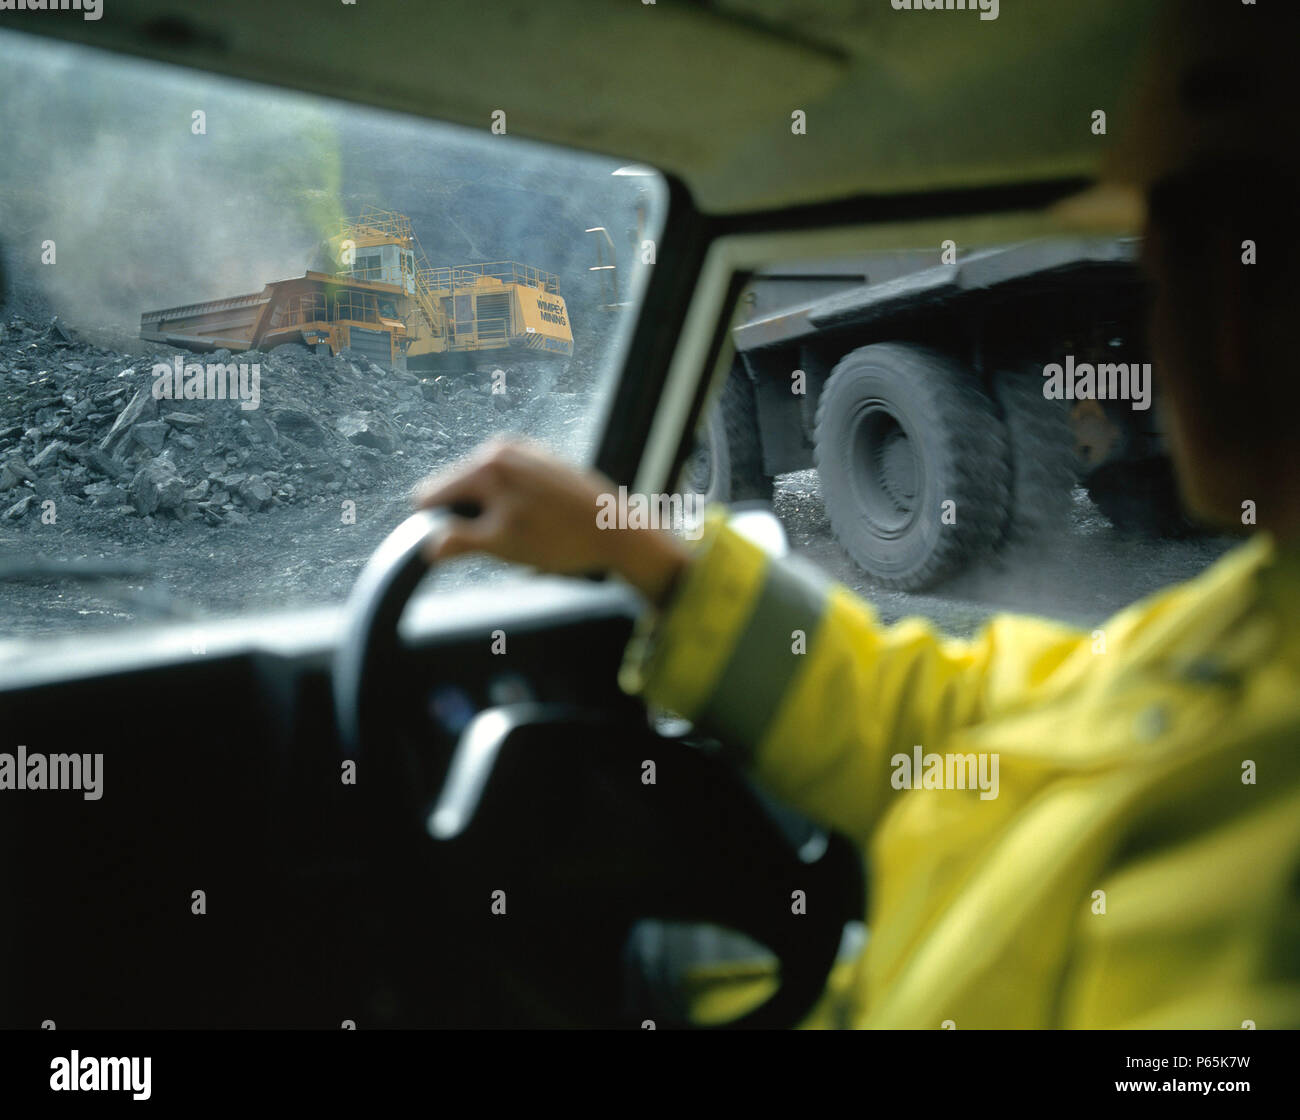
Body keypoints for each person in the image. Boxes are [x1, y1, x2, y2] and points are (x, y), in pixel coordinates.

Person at [412, 1, 1300, 1028]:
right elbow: (952, 717)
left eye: (1151, 282)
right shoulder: (1245, 616)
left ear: (1229, 314)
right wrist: (657, 557)